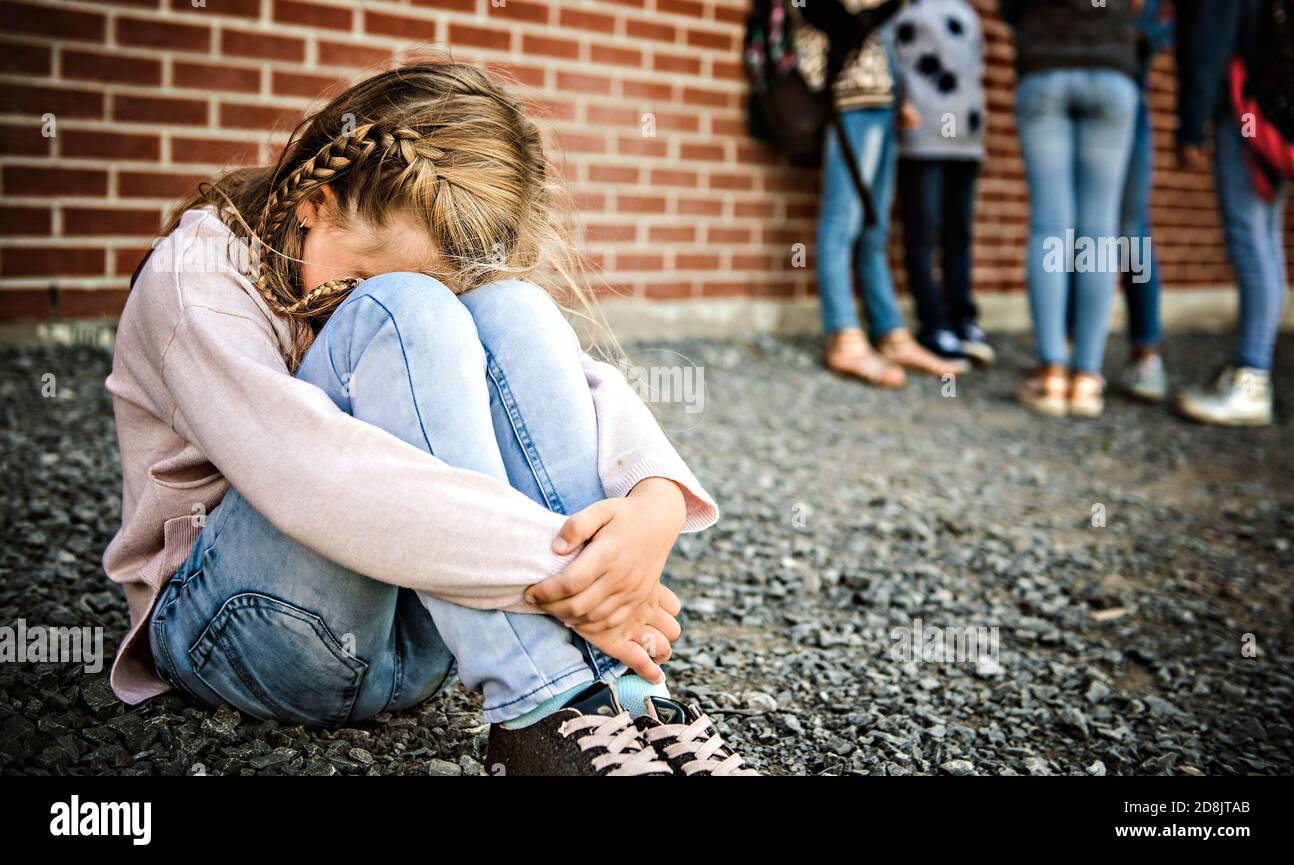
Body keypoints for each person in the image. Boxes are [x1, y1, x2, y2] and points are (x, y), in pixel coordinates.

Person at [104, 63, 758, 776]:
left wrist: (652, 507)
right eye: (357, 279)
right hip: (243, 631)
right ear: (314, 203)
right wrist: (594, 580)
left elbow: (587, 386)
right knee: (403, 312)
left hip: (418, 643)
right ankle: (542, 706)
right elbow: (312, 475)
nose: (348, 305)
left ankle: (622, 698)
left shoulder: (375, 247)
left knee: (515, 308)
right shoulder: (194, 277)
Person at [801, 0, 967, 387]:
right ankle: (843, 335)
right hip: (848, 100)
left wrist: (901, 96)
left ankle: (890, 332)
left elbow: (881, 37)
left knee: (875, 229)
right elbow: (845, 24)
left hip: (881, 103)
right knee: (843, 224)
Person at [1001, 0, 1140, 417]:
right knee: (1099, 233)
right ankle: (1085, 380)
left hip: (1046, 67)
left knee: (1050, 227)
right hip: (1112, 69)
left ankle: (1052, 375)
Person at [1173, 0, 1290, 426]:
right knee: (1266, 240)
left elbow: (1213, 38)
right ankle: (1252, 371)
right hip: (1272, 117)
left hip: (1245, 114)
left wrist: (1191, 123)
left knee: (1250, 242)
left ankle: (1252, 378)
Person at [892, 0, 996, 367]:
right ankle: (933, 323)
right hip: (924, 137)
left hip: (966, 140)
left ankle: (962, 317)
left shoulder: (966, 11)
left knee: (959, 234)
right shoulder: (905, 9)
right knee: (923, 231)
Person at [1118, 0, 1175, 402]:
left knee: (1131, 232)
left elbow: (1163, 31)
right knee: (1074, 226)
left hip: (1129, 103)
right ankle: (1066, 353)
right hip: (1083, 93)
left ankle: (1145, 350)